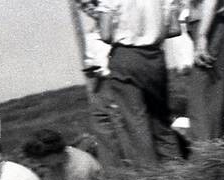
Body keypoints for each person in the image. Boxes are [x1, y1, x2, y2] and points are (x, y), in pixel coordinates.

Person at [77, 1, 185, 165]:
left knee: (135, 122)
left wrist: (127, 34)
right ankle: (177, 167)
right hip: (155, 56)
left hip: (125, 56)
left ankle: (152, 175)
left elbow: (105, 35)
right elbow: (175, 29)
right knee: (161, 120)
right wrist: (149, 33)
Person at [187, 0, 224, 139]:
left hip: (210, 29)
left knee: (201, 102)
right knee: (211, 101)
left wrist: (202, 35)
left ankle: (206, 155)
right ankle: (213, 152)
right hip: (210, 27)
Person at [20, 130, 104, 180]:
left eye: (40, 160)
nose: (38, 163)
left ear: (53, 154)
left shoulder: (81, 168)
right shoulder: (57, 162)